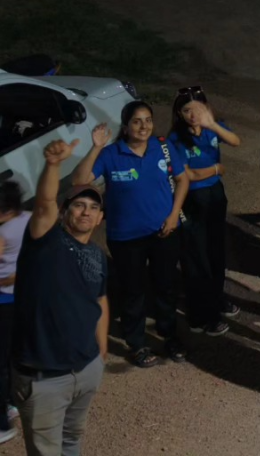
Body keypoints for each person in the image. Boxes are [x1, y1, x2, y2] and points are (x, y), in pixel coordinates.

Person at [71, 102, 189, 367]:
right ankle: (137, 344)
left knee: (165, 287)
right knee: (134, 291)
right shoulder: (111, 154)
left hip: (165, 232)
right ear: (125, 127)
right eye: (137, 121)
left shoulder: (164, 148)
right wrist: (96, 146)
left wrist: (173, 215)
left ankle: (169, 335)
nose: (144, 126)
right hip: (126, 238)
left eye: (148, 120)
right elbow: (79, 180)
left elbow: (183, 180)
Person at [11, 140, 107, 456]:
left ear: (100, 219)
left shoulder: (97, 255)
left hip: (86, 367)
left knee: (72, 441)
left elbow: (101, 299)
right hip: (43, 377)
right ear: (64, 211)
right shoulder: (45, 241)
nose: (86, 211)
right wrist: (53, 165)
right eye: (79, 204)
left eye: (94, 207)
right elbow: (44, 202)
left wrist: (100, 350)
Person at [170, 86, 242, 337]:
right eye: (186, 110)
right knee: (196, 257)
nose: (193, 114)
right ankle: (199, 316)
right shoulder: (175, 139)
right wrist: (215, 170)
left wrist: (212, 124)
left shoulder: (213, 128)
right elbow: (187, 175)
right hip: (191, 199)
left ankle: (216, 298)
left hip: (214, 196)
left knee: (215, 251)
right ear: (179, 113)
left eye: (198, 108)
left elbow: (235, 141)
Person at [0, 181, 31, 446]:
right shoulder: (31, 219)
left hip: (5, 300)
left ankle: (5, 418)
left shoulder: (3, 232)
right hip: (26, 296)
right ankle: (14, 400)